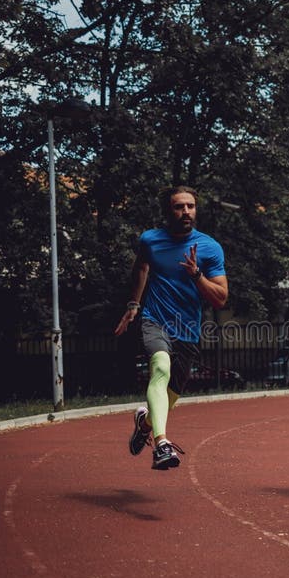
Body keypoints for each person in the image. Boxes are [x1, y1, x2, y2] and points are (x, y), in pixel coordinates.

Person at [115, 186, 228, 470]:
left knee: (171, 396)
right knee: (160, 366)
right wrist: (133, 305)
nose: (186, 211)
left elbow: (221, 297)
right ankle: (162, 443)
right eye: (179, 206)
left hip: (187, 329)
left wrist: (197, 275)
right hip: (155, 319)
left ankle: (145, 424)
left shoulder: (209, 247)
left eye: (190, 206)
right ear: (169, 211)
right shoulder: (150, 240)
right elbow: (141, 268)